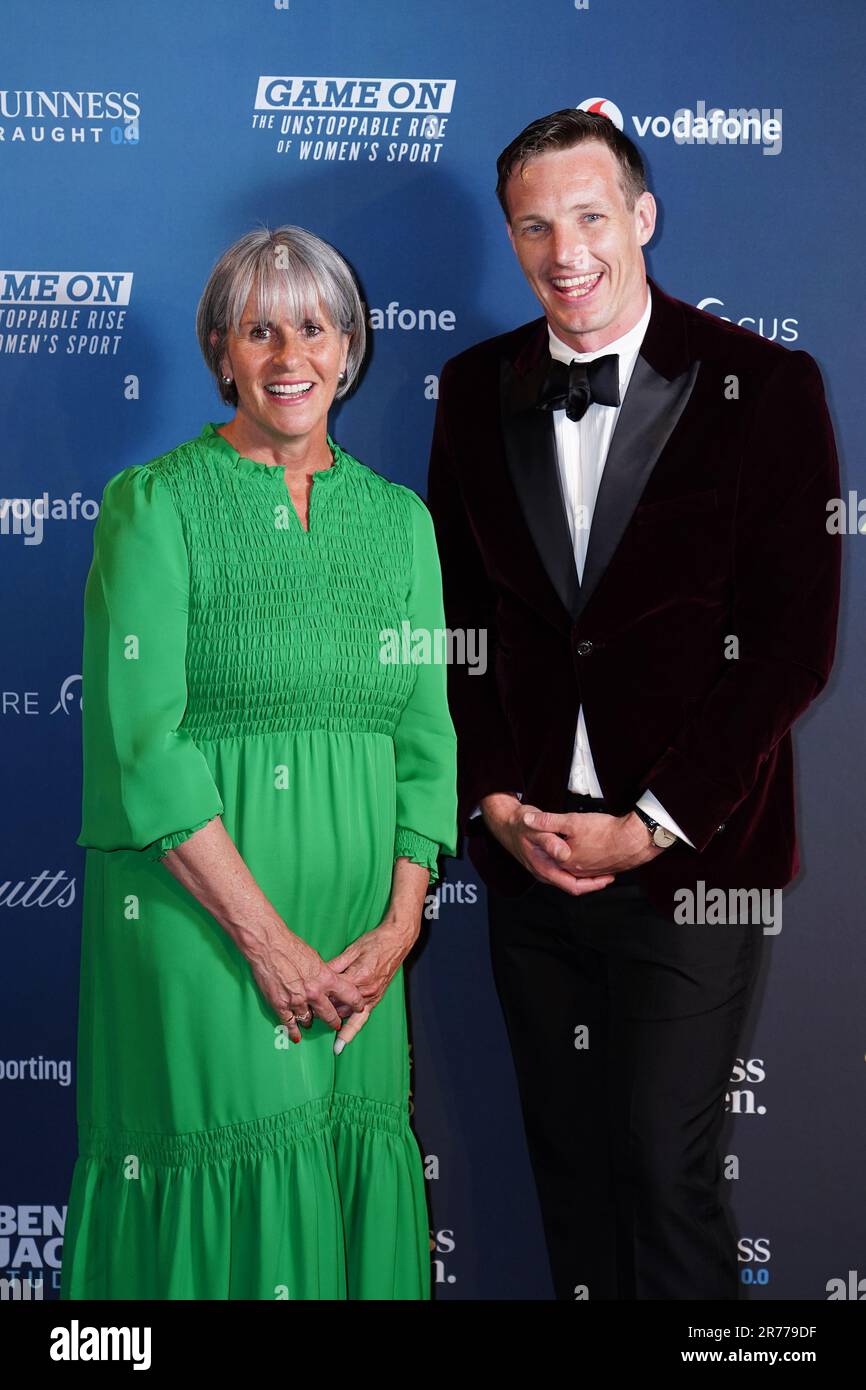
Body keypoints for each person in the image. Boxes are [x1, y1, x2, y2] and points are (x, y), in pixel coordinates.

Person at [426, 109, 841, 1300]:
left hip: (688, 860)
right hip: (527, 854)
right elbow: (458, 626)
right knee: (571, 1177)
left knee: (664, 1177)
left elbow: (785, 648)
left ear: (642, 217)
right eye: (534, 225)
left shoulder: (762, 386)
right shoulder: (470, 390)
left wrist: (653, 818)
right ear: (510, 238)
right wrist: (493, 803)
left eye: (590, 215)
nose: (565, 250)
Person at [61, 224, 457, 1301]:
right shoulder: (155, 504)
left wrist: (398, 924)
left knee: (340, 1170)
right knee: (224, 1179)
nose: (290, 355)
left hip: (357, 956)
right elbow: (144, 745)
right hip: (201, 930)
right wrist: (266, 940)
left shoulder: (403, 525)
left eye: (313, 326)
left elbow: (426, 740)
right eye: (259, 329)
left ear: (348, 346)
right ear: (222, 352)